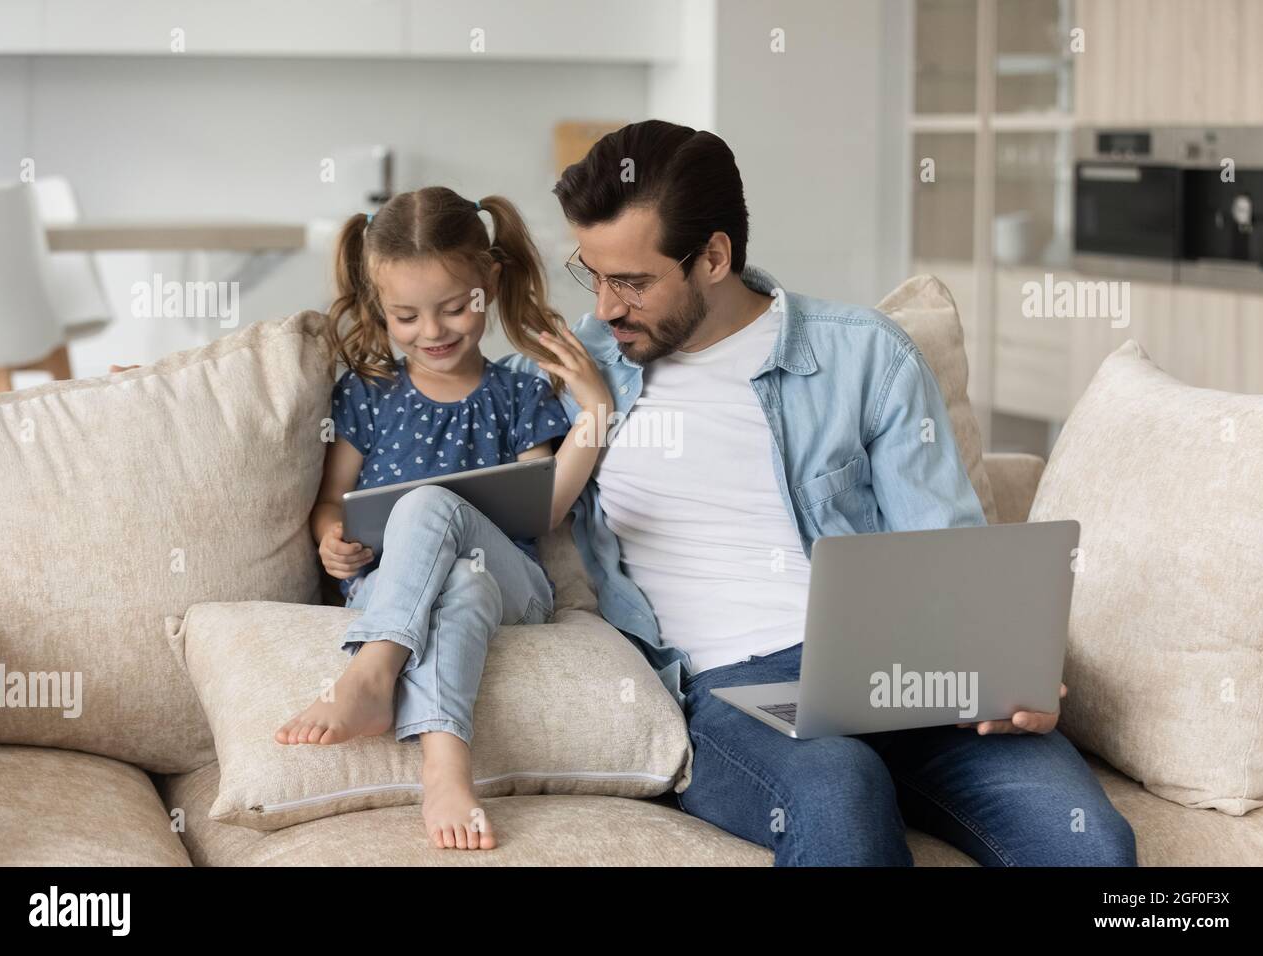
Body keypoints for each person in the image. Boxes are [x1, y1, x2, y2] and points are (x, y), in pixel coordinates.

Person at [501, 120, 1138, 866]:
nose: (607, 307)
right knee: (840, 794)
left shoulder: (864, 355)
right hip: (734, 690)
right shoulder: (578, 366)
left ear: (713, 257)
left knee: (1089, 841)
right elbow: (467, 475)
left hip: (903, 670)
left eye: (633, 282)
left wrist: (1007, 671)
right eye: (594, 273)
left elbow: (945, 548)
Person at [275, 187, 612, 852]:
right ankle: (447, 770)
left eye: (456, 308)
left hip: (517, 583)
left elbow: (544, 507)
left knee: (427, 504)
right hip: (396, 585)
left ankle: (373, 672)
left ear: (489, 283)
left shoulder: (515, 389)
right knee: (460, 585)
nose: (432, 333)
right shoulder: (369, 394)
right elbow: (330, 503)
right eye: (406, 316)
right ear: (379, 307)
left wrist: (595, 413)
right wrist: (328, 541)